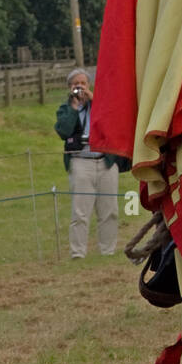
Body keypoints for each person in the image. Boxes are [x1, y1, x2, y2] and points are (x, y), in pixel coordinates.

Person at [55, 68, 125, 258]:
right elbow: (63, 130)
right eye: (75, 85)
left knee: (109, 210)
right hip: (80, 161)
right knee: (80, 211)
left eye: (83, 83)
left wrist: (94, 100)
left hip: (105, 161)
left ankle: (107, 250)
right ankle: (78, 253)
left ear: (89, 85)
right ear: (70, 88)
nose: (80, 88)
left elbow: (112, 121)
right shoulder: (66, 109)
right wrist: (74, 107)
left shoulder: (100, 104)